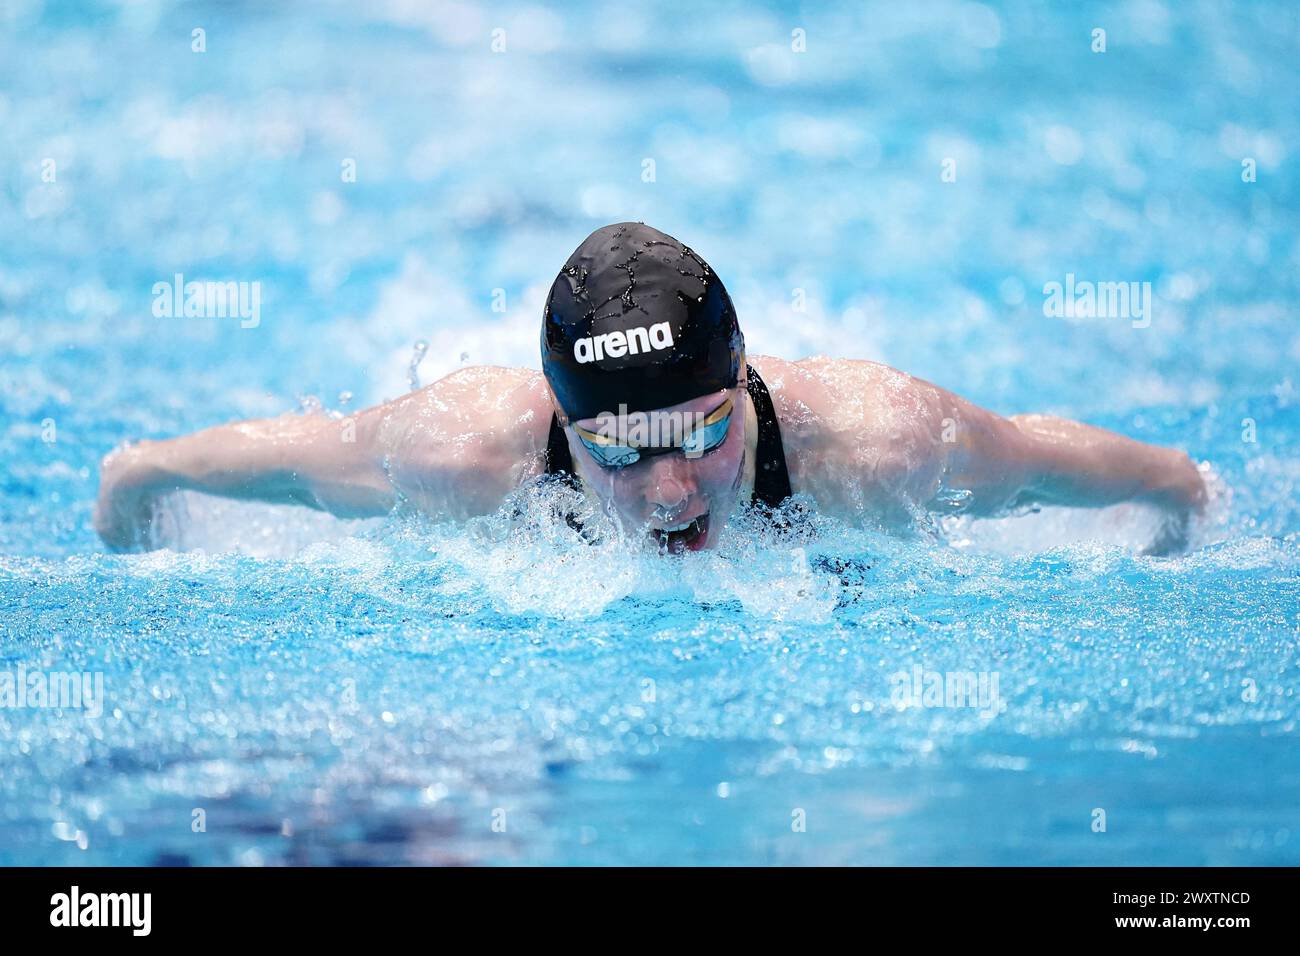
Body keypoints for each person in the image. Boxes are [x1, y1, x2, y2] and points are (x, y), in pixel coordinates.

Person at [94, 222, 1207, 555]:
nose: (671, 488)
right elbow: (283, 455)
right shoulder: (463, 453)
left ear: (743, 385)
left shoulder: (876, 442)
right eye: (620, 451)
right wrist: (138, 479)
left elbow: (1078, 465)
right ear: (565, 427)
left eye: (703, 433)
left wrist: (1180, 499)